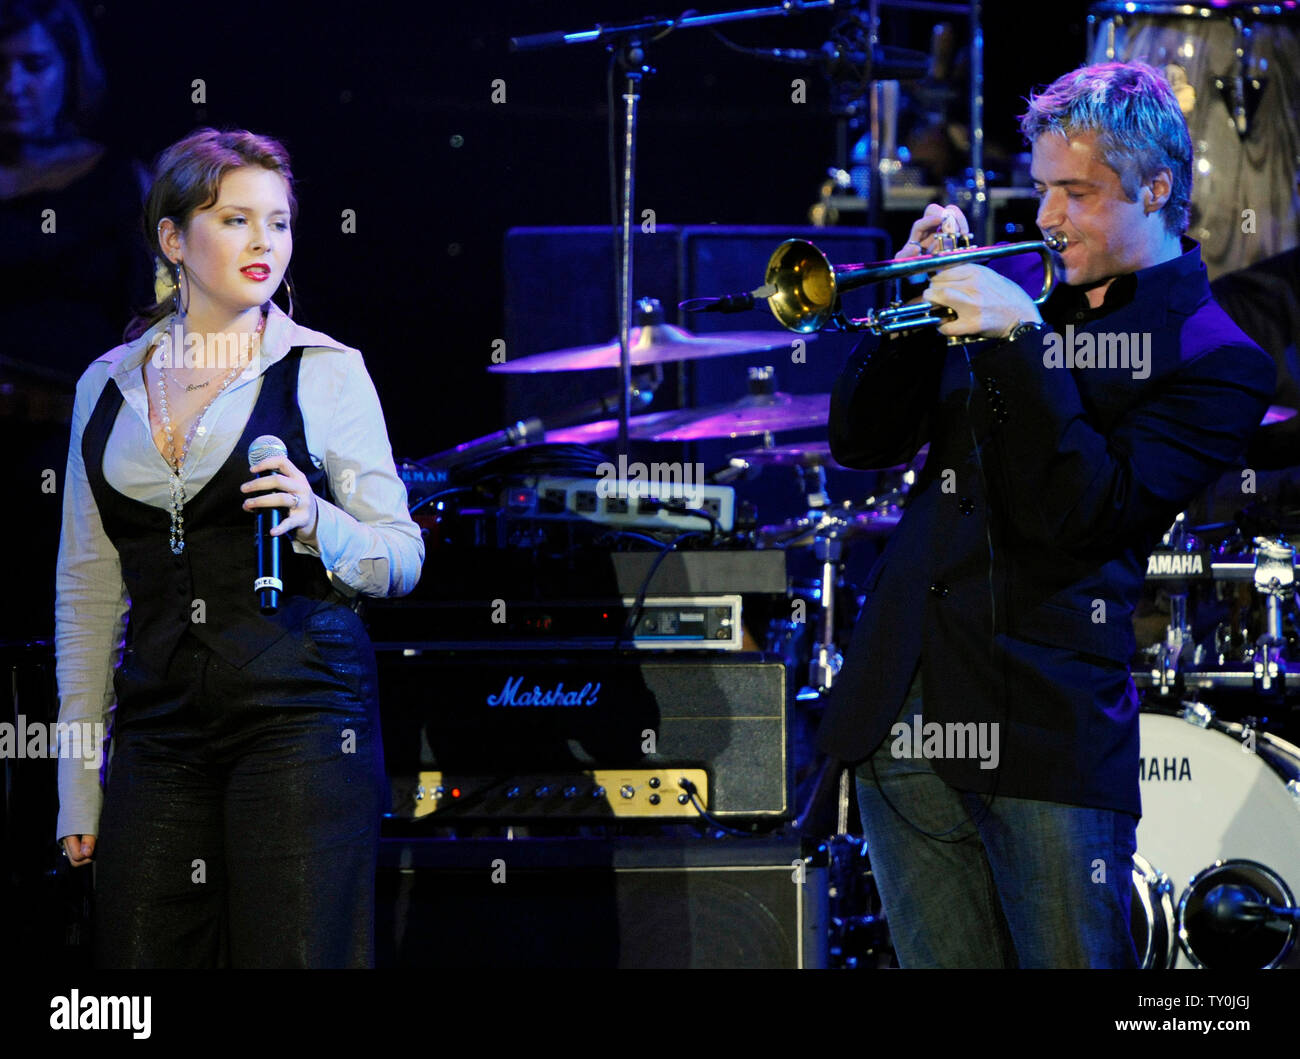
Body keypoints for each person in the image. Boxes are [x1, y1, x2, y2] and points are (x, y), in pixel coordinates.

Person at [816, 62, 1275, 968]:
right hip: (901, 710)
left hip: (1043, 732)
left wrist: (1022, 342)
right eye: (1041, 188)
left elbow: (1086, 509)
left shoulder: (1217, 357)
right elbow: (862, 442)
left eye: (1077, 191)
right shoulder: (1023, 285)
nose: (1047, 217)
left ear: (1157, 188)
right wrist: (909, 305)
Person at [54, 127, 424, 968]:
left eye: (280, 222)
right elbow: (85, 589)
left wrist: (316, 517)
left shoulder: (324, 369)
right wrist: (77, 780)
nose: (265, 243)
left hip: (298, 712)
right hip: (158, 725)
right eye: (235, 219)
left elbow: (401, 555)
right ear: (173, 239)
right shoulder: (105, 383)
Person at [1, 0, 152, 643]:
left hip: (73, 443)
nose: (12, 87)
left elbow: (150, 329)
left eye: (34, 65)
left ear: (70, 70)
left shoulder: (120, 182)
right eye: (0, 67)